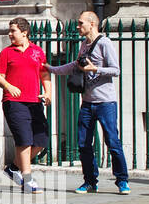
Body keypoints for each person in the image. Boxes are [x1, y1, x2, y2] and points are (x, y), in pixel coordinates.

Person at [45, 11, 129, 194]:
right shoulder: (83, 45)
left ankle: (122, 180)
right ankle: (90, 181)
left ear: (92, 24)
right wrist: (50, 68)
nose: (77, 26)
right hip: (87, 103)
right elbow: (75, 66)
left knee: (113, 142)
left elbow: (116, 70)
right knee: (83, 144)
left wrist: (95, 68)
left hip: (106, 103)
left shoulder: (105, 43)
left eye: (81, 23)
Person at [0, 17, 52, 192]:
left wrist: (48, 92)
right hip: (14, 103)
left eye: (13, 31)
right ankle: (28, 180)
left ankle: (13, 168)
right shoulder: (7, 53)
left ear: (24, 32)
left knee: (41, 140)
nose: (10, 34)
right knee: (24, 140)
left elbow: (44, 74)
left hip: (34, 101)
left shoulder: (37, 51)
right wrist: (8, 86)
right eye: (10, 31)